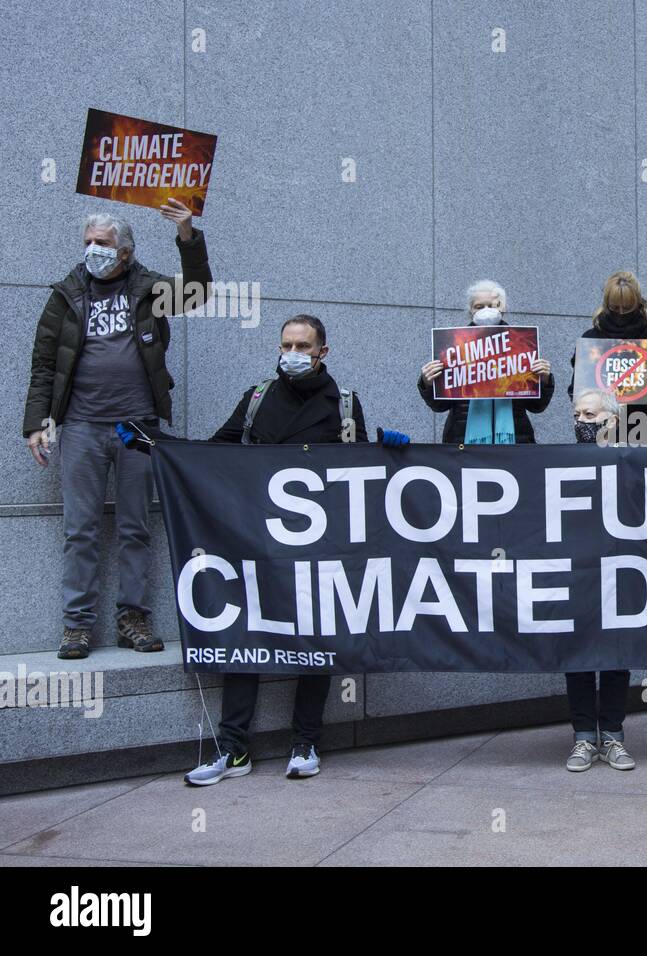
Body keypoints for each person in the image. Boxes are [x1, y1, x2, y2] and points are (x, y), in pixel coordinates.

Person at [119, 314, 409, 784]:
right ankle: (233, 749)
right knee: (245, 635)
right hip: (256, 542)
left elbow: (358, 474)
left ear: (322, 352)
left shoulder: (347, 406)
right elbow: (212, 457)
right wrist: (157, 446)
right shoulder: (257, 400)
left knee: (317, 640)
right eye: (286, 344)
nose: (292, 354)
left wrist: (393, 453)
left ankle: (306, 742)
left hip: (319, 548)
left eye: (302, 346)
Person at [23, 202, 211, 660]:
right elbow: (45, 365)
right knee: (80, 529)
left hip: (135, 426)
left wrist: (187, 232)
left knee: (134, 526)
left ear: (124, 252)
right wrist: (36, 424)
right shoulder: (66, 295)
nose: (93, 250)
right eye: (88, 242)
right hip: (82, 426)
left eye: (102, 243)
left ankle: (134, 619)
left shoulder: (149, 290)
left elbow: (199, 292)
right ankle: (77, 626)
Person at [565, 387, 636, 772]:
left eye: (590, 416)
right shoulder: (563, 461)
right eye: (577, 416)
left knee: (615, 653)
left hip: (620, 570)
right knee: (576, 652)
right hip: (578, 570)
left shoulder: (635, 459)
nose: (581, 423)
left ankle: (612, 736)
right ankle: (582, 738)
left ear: (613, 418)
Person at [418, 280, 554, 443]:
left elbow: (537, 407)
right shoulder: (453, 346)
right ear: (470, 310)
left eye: (492, 305)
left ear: (502, 308)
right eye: (479, 306)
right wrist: (428, 383)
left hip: (515, 438)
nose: (486, 310)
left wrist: (544, 380)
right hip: (463, 439)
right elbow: (439, 406)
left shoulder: (522, 344)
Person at [568, 270, 647, 430]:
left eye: (627, 308)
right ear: (607, 305)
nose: (621, 314)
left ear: (638, 303)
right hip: (600, 432)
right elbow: (577, 390)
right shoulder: (592, 341)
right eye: (615, 308)